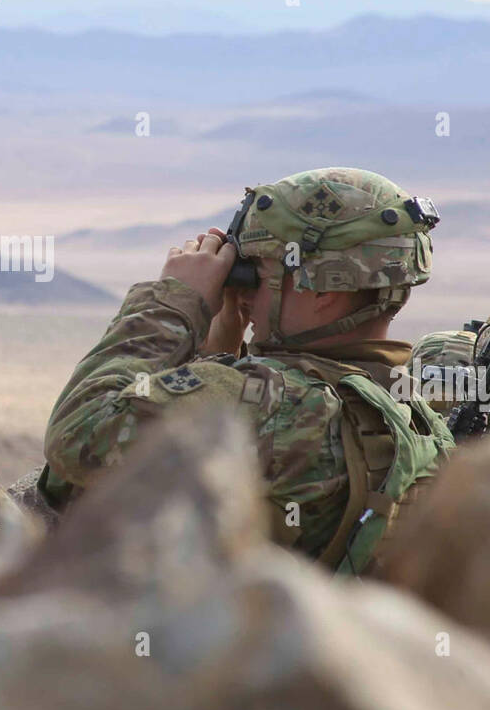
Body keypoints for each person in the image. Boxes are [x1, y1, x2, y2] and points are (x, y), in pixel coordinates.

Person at [36, 167, 454, 574]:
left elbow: (79, 435)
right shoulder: (409, 409)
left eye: (261, 270)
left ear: (323, 288)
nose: (244, 288)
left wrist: (171, 303)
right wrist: (224, 346)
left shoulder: (274, 401)